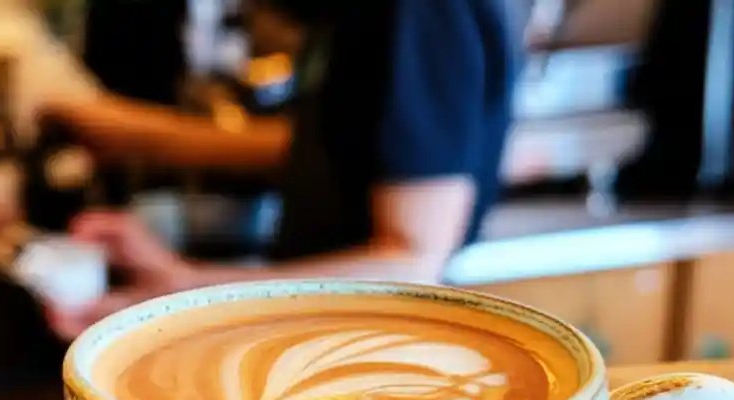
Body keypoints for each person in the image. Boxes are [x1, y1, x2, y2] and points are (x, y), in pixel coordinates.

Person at [45, 0, 530, 338]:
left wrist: (187, 289)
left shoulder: (416, 11)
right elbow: (337, 149)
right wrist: (140, 136)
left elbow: (412, 262)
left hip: (355, 349)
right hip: (318, 330)